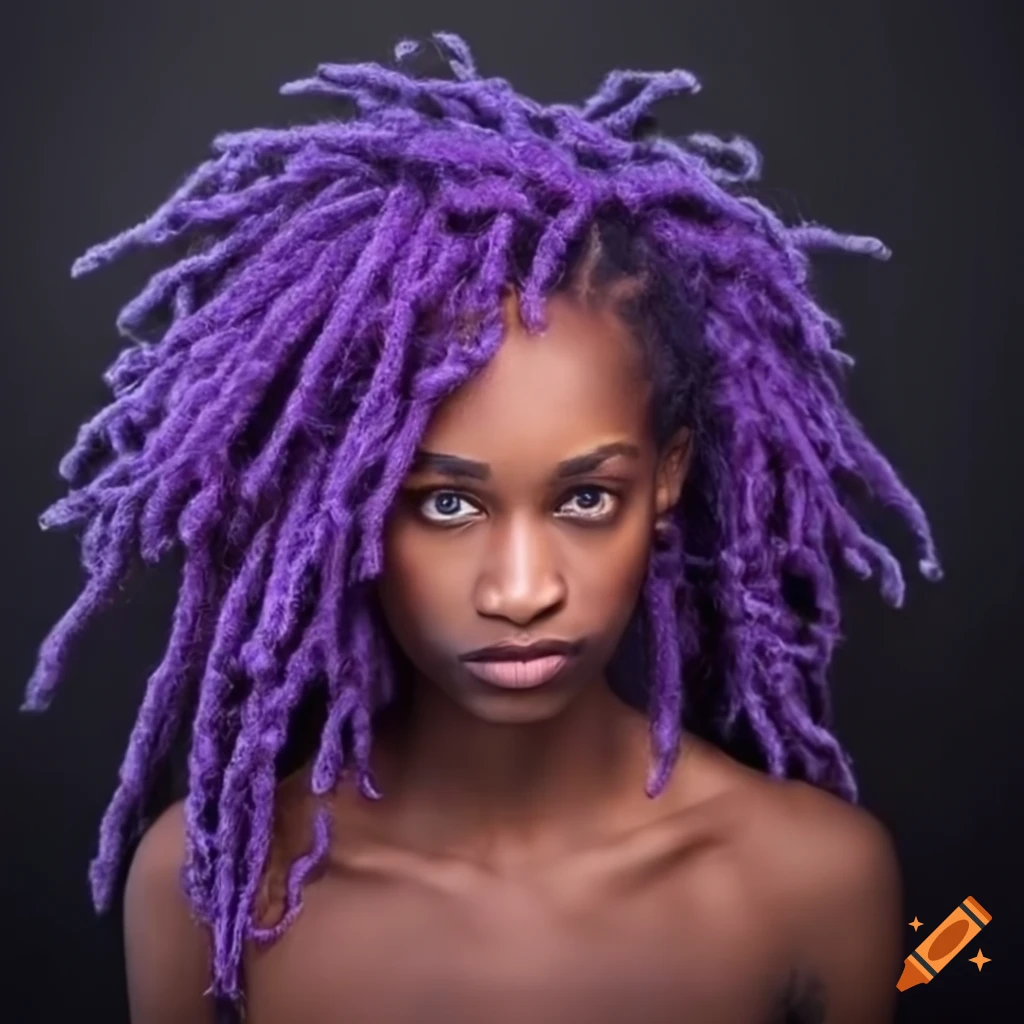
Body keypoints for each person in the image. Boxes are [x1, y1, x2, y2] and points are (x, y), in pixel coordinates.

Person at [22, 31, 941, 1024]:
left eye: (585, 499)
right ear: (351, 498)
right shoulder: (211, 890)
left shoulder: (814, 884)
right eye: (447, 503)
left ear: (666, 479)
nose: (521, 590)